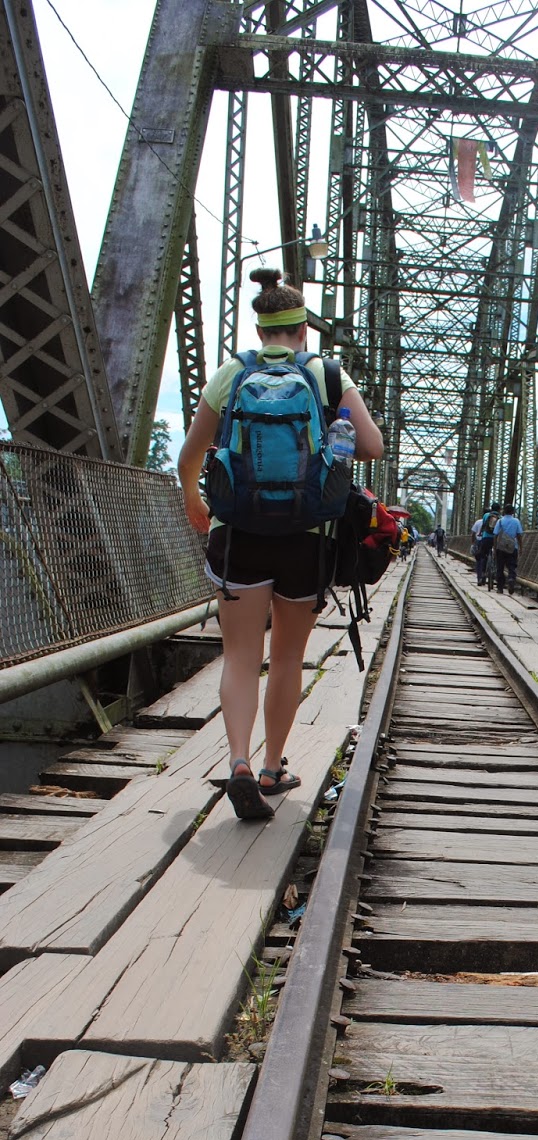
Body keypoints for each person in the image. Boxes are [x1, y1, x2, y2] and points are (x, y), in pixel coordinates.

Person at [178, 267, 382, 822]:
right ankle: (272, 767)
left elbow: (191, 453)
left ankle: (238, 760)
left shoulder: (230, 375)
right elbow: (373, 445)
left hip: (239, 534)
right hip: (305, 541)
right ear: (302, 329)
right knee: (288, 656)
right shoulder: (326, 375)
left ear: (261, 326)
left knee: (242, 656)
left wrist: (194, 498)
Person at [493, 503, 523, 594]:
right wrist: (521, 547)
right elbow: (519, 535)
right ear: (513, 512)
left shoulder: (500, 521)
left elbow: (495, 535)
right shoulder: (516, 521)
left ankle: (500, 587)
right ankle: (511, 578)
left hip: (501, 547)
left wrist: (495, 547)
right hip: (513, 547)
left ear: (504, 511)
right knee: (512, 565)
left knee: (500, 567)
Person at [475, 502, 499, 586]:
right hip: (496, 540)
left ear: (491, 508)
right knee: (497, 555)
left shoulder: (486, 515)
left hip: (486, 537)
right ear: (499, 509)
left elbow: (484, 525)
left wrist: (480, 533)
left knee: (483, 555)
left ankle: (482, 574)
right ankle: (495, 573)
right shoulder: (501, 517)